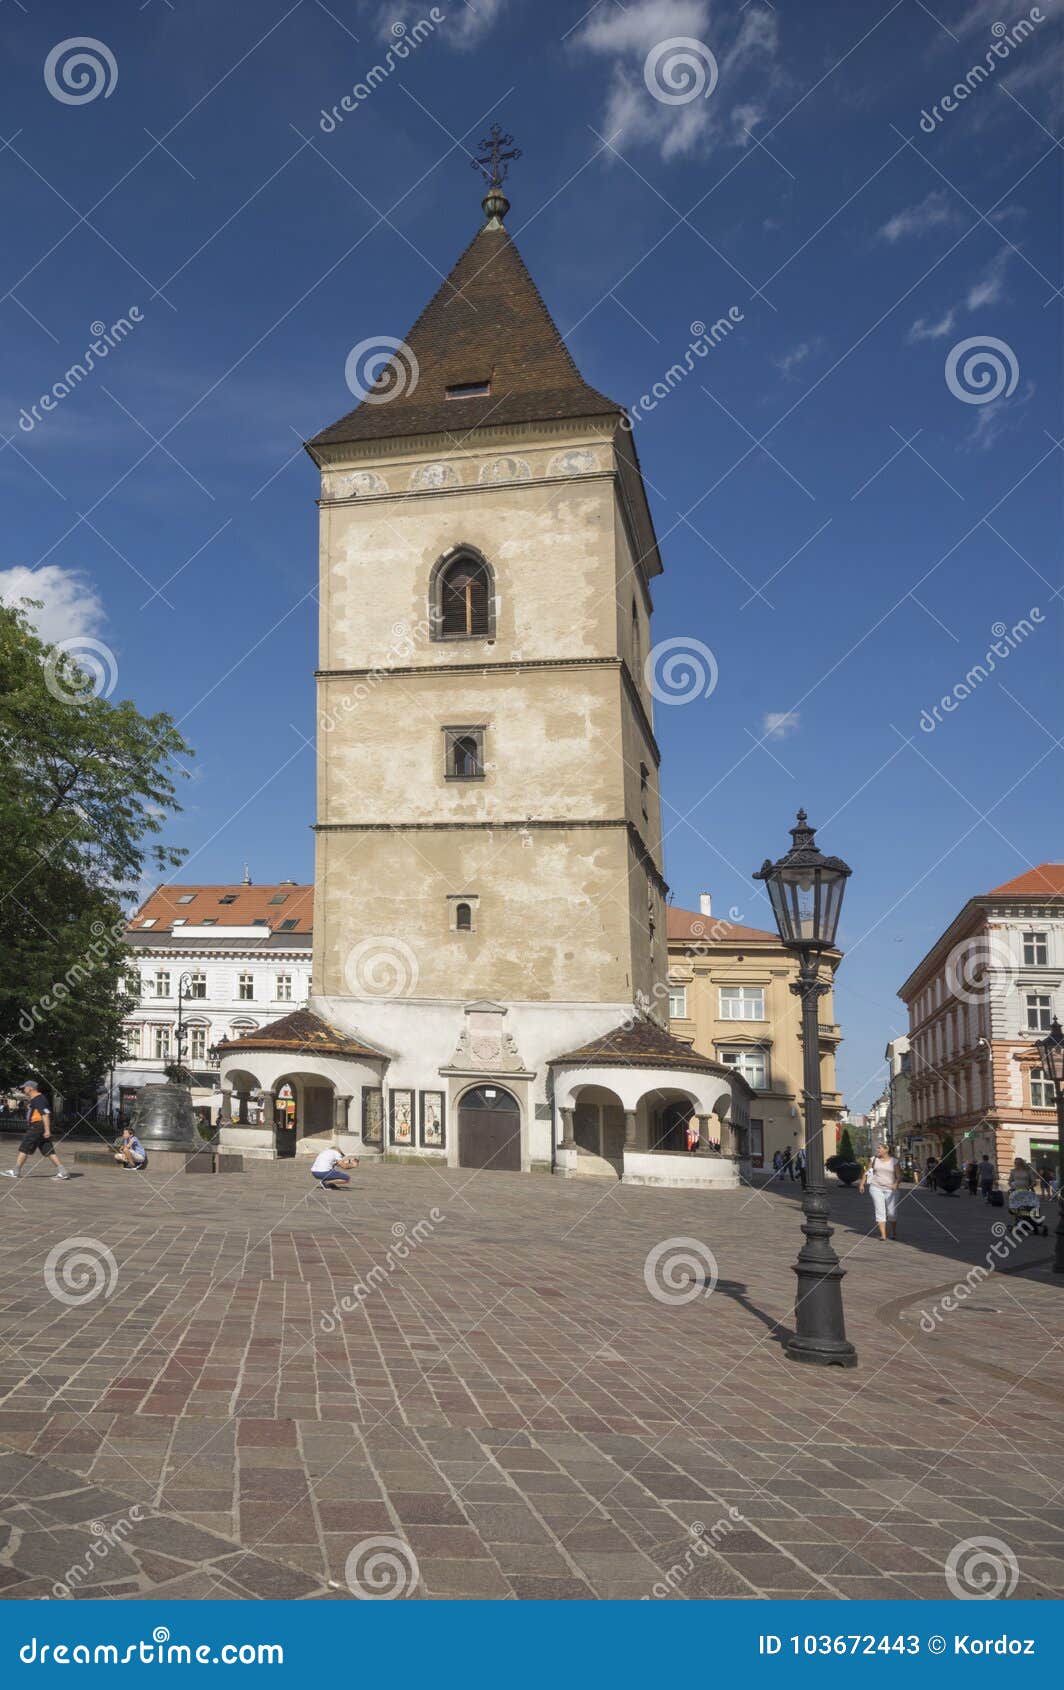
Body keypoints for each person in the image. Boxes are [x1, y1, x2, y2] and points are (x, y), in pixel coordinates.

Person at [1, 1081, 69, 1181]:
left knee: (25, 1146)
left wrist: (47, 1130)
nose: (23, 1089)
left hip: (37, 1126)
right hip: (39, 1126)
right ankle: (62, 1171)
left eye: (24, 1087)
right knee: (48, 1149)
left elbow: (45, 1114)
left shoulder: (38, 1099)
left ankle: (16, 1171)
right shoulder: (37, 1099)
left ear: (30, 1088)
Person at [859, 1140, 900, 1240]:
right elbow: (868, 1171)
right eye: (877, 1148)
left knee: (891, 1212)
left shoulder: (894, 1161)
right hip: (876, 1187)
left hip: (891, 1189)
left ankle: (893, 1232)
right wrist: (862, 1183)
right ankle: (883, 1235)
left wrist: (896, 1183)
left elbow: (899, 1176)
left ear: (886, 1149)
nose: (877, 1149)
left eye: (879, 1148)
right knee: (879, 1210)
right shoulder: (873, 1159)